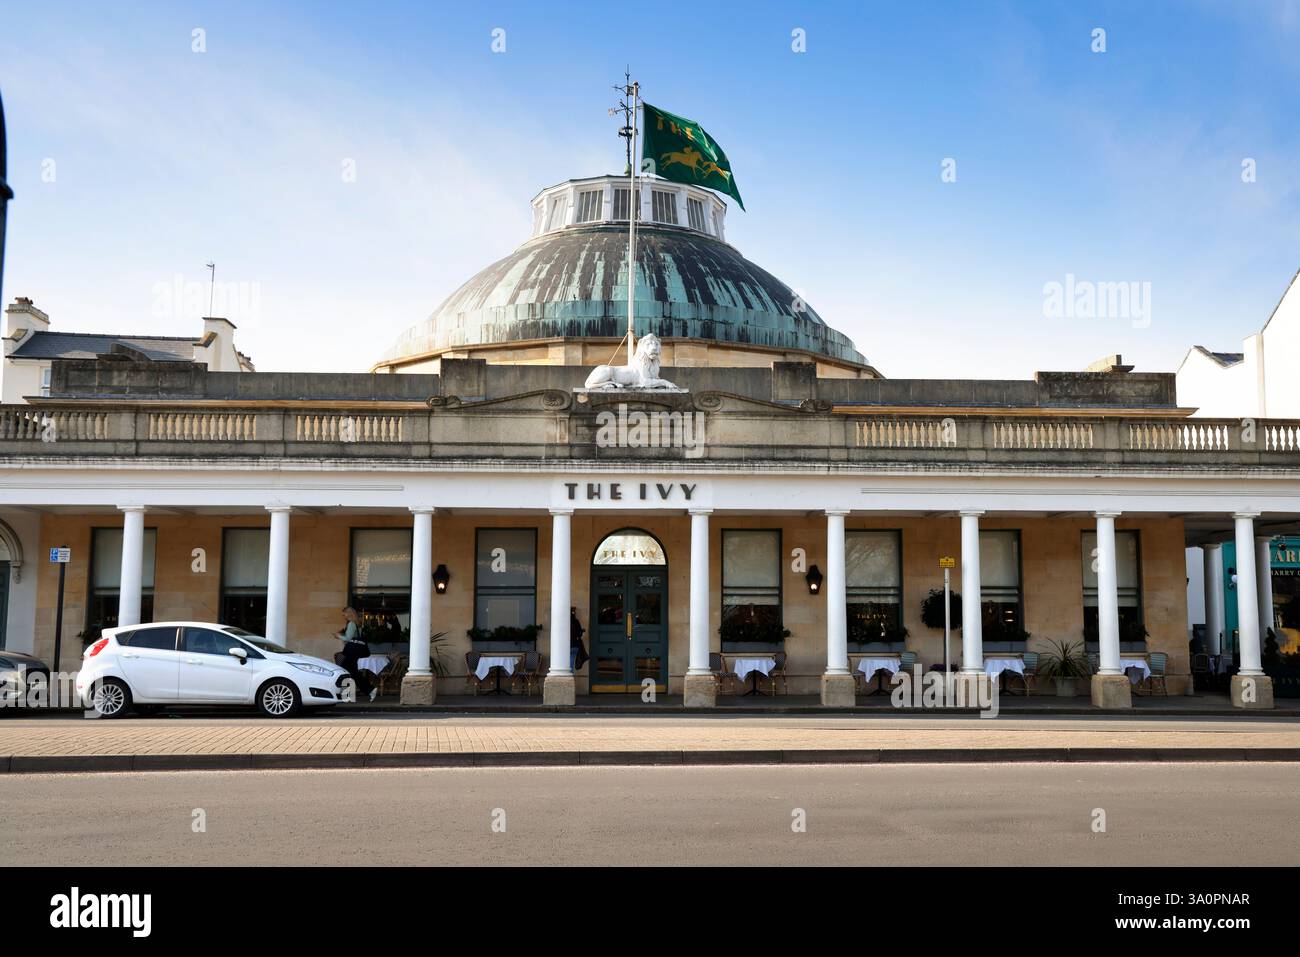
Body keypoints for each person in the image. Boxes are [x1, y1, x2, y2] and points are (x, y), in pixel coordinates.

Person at [335, 606, 378, 702]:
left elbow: (348, 638)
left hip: (351, 652)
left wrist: (338, 636)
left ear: (349, 613)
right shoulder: (357, 623)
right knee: (352, 673)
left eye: (344, 614)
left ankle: (349, 695)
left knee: (346, 672)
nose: (344, 616)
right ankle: (352, 694)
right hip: (354, 652)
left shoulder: (351, 624)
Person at [569, 606, 589, 672]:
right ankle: (570, 677)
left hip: (565, 646)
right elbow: (579, 634)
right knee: (571, 662)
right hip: (575, 645)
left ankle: (567, 678)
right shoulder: (576, 621)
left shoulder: (563, 621)